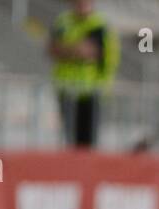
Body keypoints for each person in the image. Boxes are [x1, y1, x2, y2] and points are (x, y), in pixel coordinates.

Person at [47, 0, 119, 148]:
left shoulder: (98, 25)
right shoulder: (63, 21)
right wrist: (77, 50)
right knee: (69, 141)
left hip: (91, 91)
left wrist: (66, 49)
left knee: (88, 144)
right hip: (67, 90)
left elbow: (90, 51)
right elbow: (52, 49)